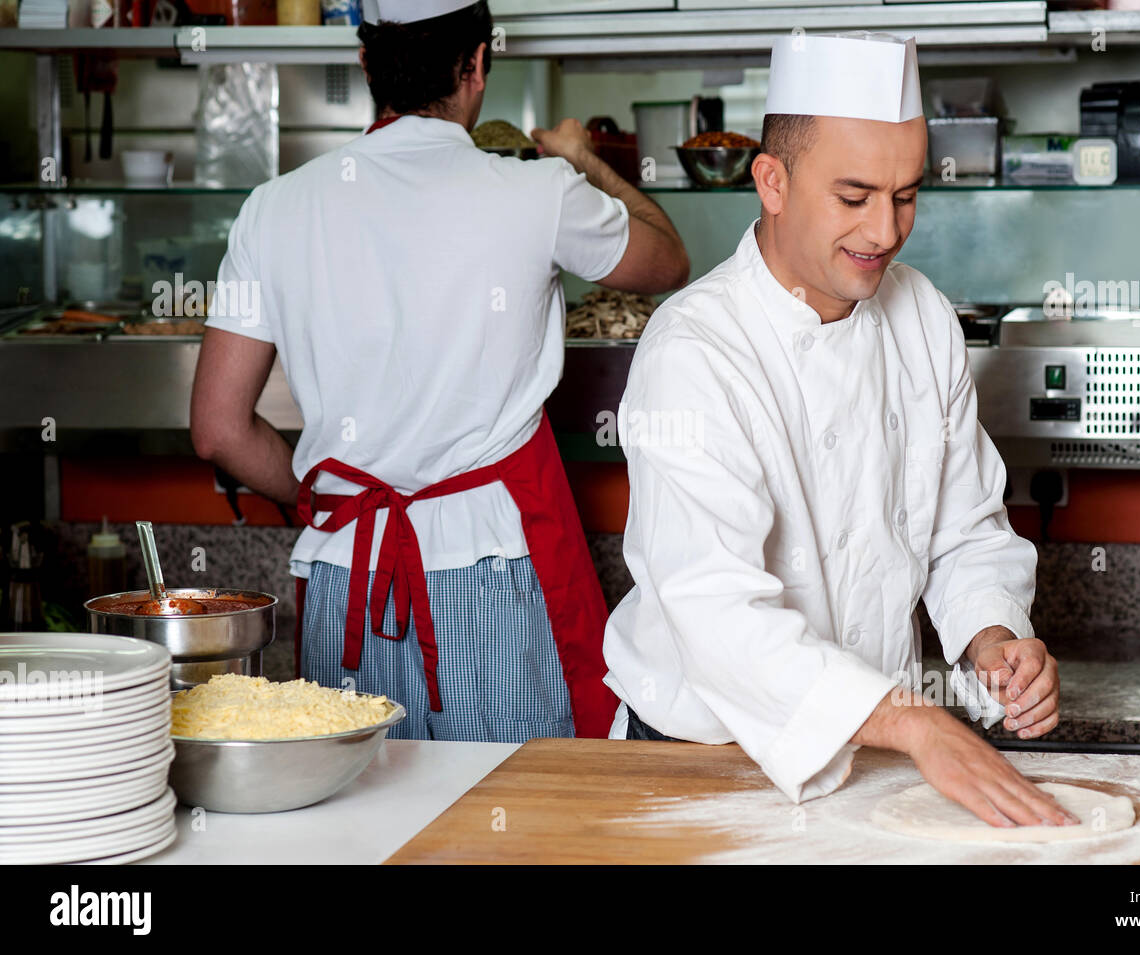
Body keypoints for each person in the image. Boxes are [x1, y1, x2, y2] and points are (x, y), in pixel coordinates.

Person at [604, 32, 1074, 828]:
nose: (886, 231)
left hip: (874, 754)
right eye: (854, 197)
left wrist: (992, 639)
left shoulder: (920, 312)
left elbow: (963, 531)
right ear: (772, 181)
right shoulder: (696, 351)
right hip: (703, 763)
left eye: (907, 194)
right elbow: (719, 616)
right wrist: (917, 722)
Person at [190, 0, 689, 743]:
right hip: (492, 572)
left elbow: (218, 431)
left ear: (365, 64)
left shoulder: (273, 208)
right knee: (509, 832)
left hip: (343, 575)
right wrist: (578, 157)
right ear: (477, 64)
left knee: (358, 835)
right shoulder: (536, 192)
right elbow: (669, 260)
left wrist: (330, 497)